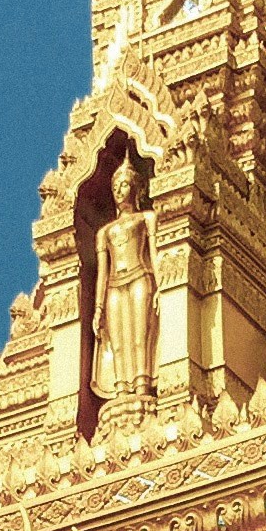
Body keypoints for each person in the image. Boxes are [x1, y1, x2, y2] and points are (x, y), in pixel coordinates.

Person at [94, 156, 159, 403]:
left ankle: (142, 386)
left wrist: (163, 287)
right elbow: (101, 273)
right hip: (114, 285)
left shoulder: (146, 219)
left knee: (141, 336)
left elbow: (154, 254)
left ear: (136, 188)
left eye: (123, 184)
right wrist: (98, 307)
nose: (119, 191)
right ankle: (121, 389)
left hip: (141, 276)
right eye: (115, 187)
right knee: (118, 341)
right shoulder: (105, 232)